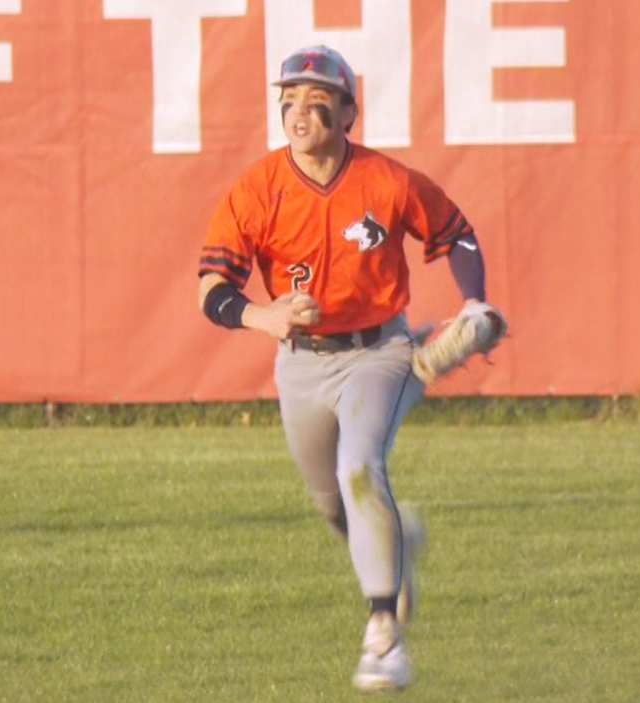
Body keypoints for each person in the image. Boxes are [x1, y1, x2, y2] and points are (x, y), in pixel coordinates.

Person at [196, 45, 492, 692]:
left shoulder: (386, 181)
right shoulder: (257, 189)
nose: (299, 109)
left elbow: (457, 232)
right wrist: (262, 317)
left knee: (361, 469)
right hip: (300, 362)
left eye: (316, 96)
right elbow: (211, 287)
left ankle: (383, 633)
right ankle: (399, 545)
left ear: (348, 110)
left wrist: (473, 298)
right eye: (290, 97)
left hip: (375, 351)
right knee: (331, 502)